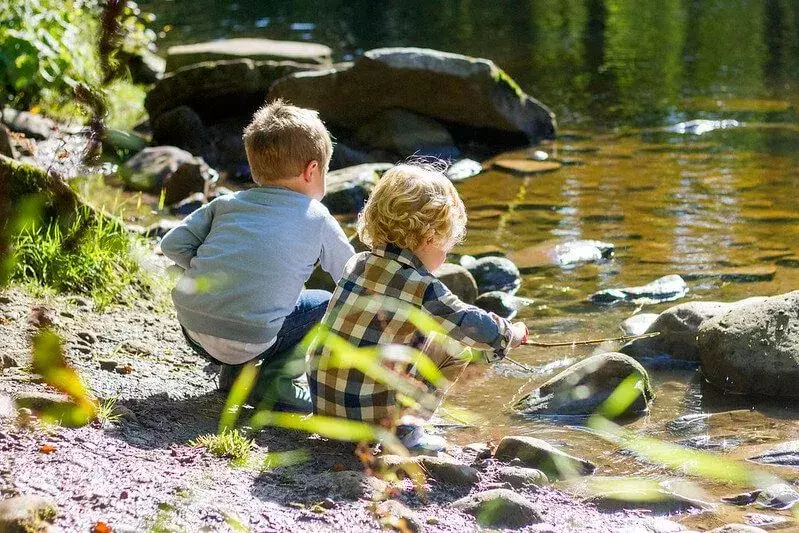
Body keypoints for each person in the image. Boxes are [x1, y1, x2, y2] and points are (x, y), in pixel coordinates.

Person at [307, 162, 528, 451]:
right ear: (429, 239)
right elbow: (468, 323)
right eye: (446, 248)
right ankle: (405, 431)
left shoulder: (357, 263)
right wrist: (509, 333)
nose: (446, 256)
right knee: (455, 350)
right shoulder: (424, 287)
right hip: (366, 415)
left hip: (325, 403)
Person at [160, 99, 355, 411]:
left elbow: (171, 244)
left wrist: (207, 267)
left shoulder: (226, 204)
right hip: (253, 336)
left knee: (275, 298)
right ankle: (276, 380)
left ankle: (236, 375)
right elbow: (352, 276)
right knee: (322, 303)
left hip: (194, 329)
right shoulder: (317, 217)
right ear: (312, 170)